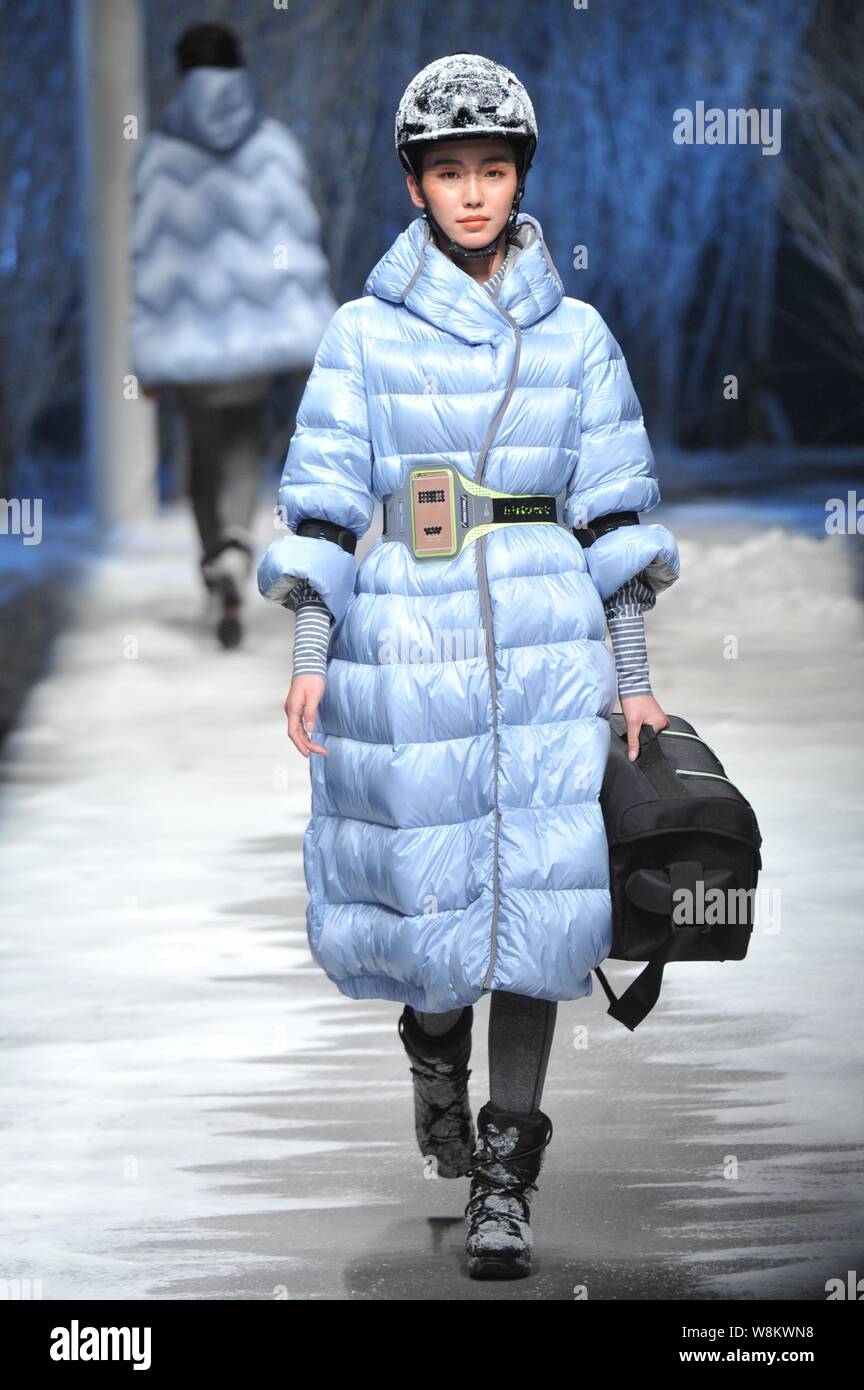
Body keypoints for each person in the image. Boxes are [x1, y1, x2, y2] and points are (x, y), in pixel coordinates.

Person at [257, 53, 680, 1279]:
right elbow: (329, 500)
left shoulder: (580, 335)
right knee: (443, 911)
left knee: (540, 918)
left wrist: (633, 670)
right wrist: (310, 648)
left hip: (547, 641)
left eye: (495, 170)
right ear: (415, 186)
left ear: (521, 178)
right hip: (413, 638)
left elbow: (614, 513)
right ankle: (432, 1042)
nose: (477, 193)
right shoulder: (363, 334)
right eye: (452, 173)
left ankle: (508, 1171)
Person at [129, 21, 338, 648]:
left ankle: (214, 551)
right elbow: (299, 241)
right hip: (256, 338)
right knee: (245, 444)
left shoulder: (160, 154)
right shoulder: (274, 143)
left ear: (182, 72)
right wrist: (307, 334)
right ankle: (241, 546)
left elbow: (148, 262)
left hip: (190, 343)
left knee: (201, 455)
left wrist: (147, 355)